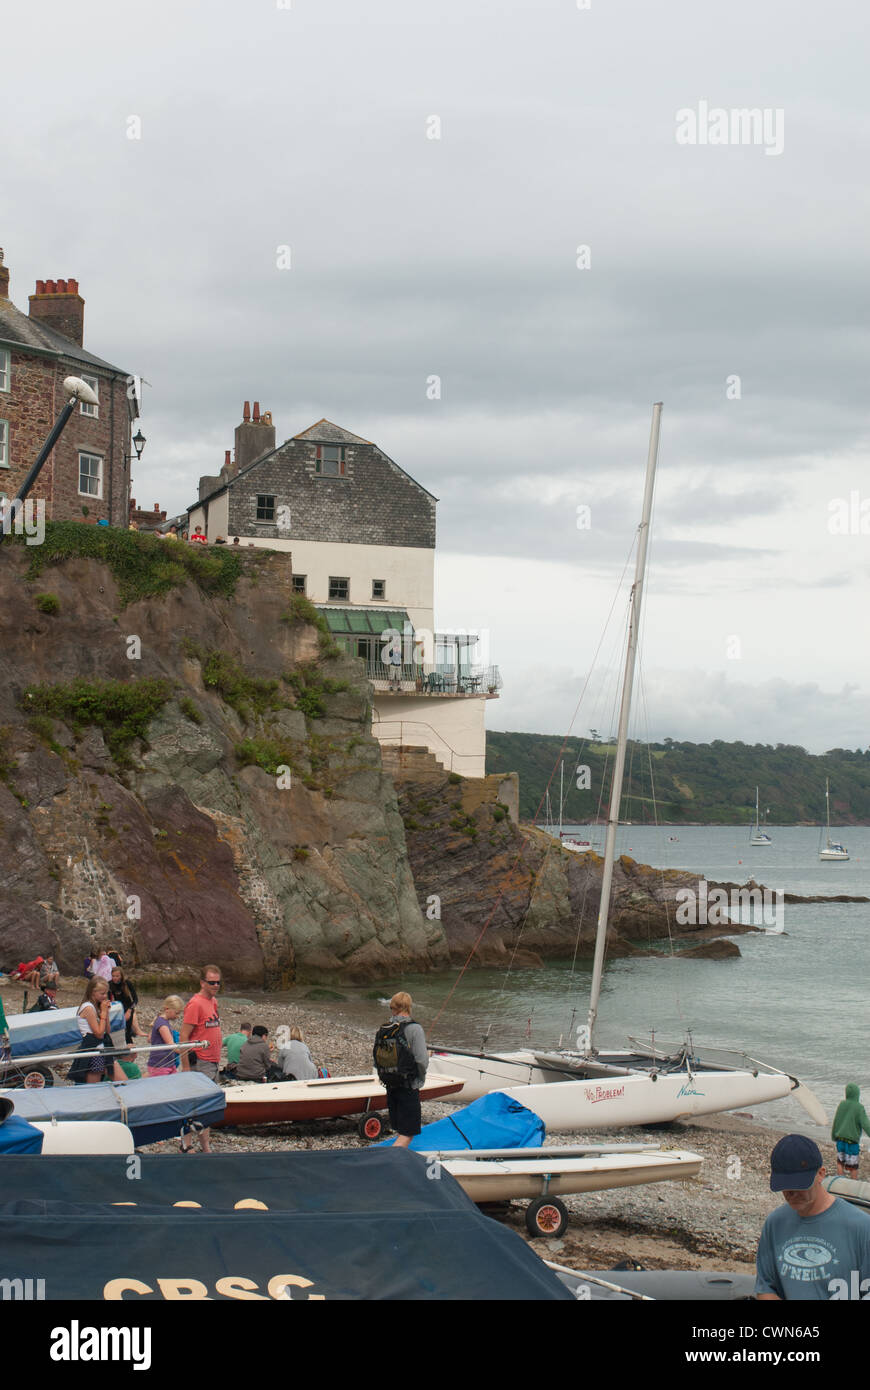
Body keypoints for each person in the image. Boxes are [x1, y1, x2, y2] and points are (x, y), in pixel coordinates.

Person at [755, 1133, 870, 1300]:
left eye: (799, 1185)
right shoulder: (775, 1224)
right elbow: (766, 1286)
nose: (791, 1194)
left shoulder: (861, 1227)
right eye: (785, 1187)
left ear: (821, 1174)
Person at [373, 991, 428, 1148]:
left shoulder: (384, 1028)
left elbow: (377, 1060)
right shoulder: (415, 1029)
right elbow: (421, 1060)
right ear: (409, 1007)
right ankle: (391, 1163)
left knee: (400, 1129)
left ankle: (397, 1160)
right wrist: (420, 1080)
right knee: (407, 1134)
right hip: (408, 1086)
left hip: (390, 1085)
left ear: (393, 1007)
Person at [179, 966, 223, 1152]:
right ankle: (187, 1144)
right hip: (200, 1060)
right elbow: (184, 1037)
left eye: (218, 982)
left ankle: (205, 1146)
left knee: (207, 1106)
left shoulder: (213, 1002)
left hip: (212, 1061)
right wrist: (186, 1067)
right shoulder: (195, 1004)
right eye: (211, 982)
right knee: (194, 1105)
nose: (215, 986)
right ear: (202, 982)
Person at [67, 978, 126, 1085]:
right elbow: (98, 1034)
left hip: (104, 1049)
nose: (105, 996)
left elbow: (107, 1031)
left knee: (123, 1081)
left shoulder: (97, 1007)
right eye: (102, 993)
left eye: (106, 993)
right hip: (94, 1051)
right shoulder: (88, 1008)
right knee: (93, 1087)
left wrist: (106, 1013)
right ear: (92, 992)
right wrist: (103, 1013)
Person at [831, 1083, 870, 1177]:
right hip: (851, 1142)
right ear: (857, 1094)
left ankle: (840, 1181)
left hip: (840, 1139)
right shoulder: (859, 1107)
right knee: (853, 1166)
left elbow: (836, 1120)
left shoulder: (842, 1104)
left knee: (840, 1162)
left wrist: (834, 1135)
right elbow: (866, 1124)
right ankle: (853, 1183)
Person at [147, 996, 184, 1076]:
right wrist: (187, 1050)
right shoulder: (162, 1024)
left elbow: (149, 1039)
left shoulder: (159, 1020)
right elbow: (171, 1045)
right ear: (167, 1009)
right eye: (176, 1013)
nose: (178, 1016)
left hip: (168, 1063)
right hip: (161, 1065)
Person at [108, 966, 142, 1045]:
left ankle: (130, 1048)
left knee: (127, 1030)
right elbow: (108, 999)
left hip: (128, 1008)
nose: (115, 978)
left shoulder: (127, 983)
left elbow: (135, 999)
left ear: (121, 976)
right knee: (118, 1031)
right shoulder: (110, 984)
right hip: (117, 1009)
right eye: (113, 976)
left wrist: (130, 1011)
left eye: (117, 976)